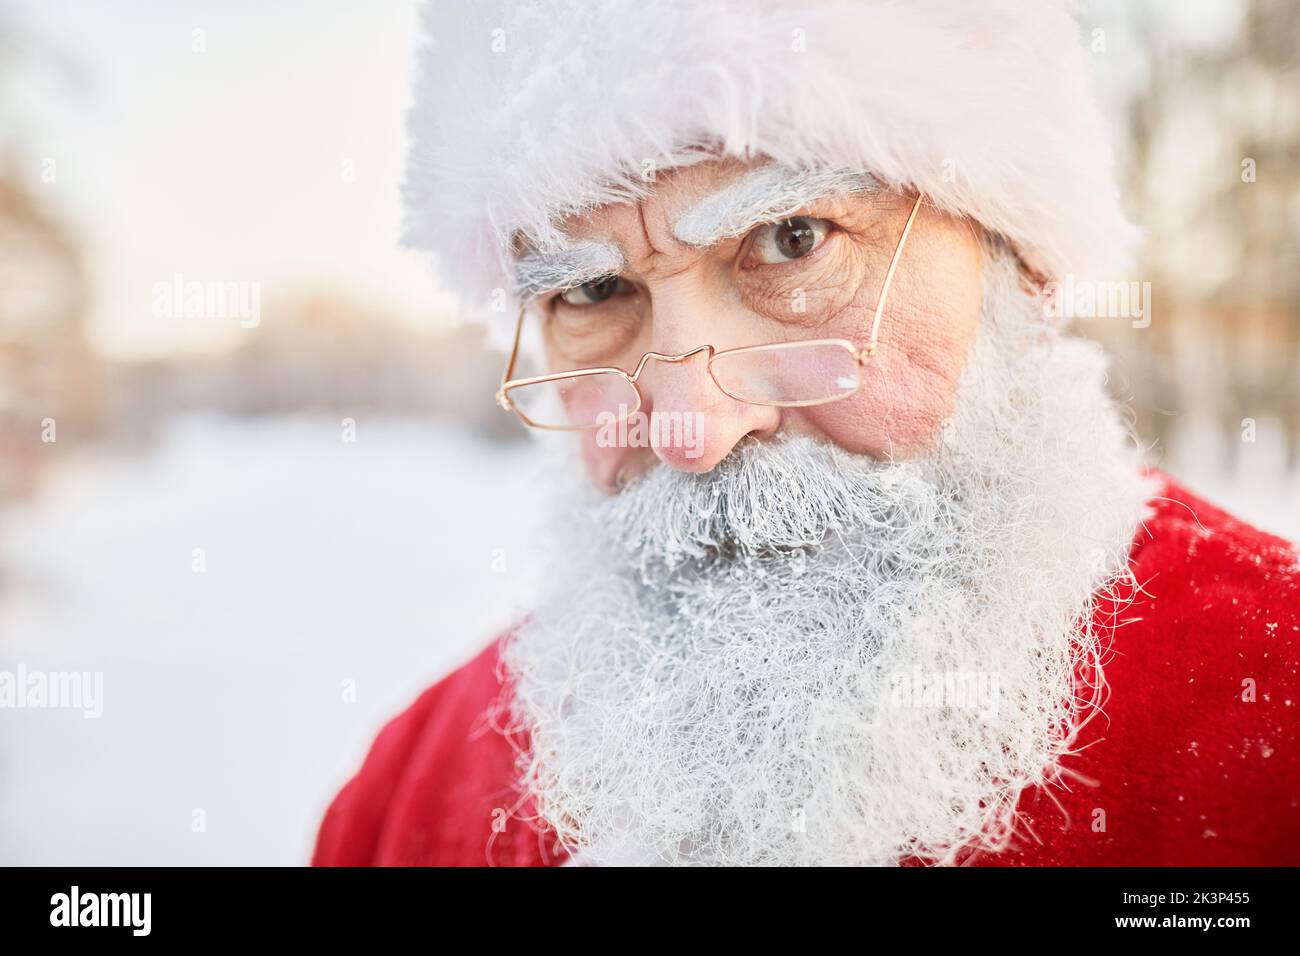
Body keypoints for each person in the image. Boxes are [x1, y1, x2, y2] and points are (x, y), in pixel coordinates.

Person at [314, 0, 1300, 866]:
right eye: (592, 289)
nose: (692, 430)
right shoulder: (407, 798)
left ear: (1021, 269)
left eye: (792, 241)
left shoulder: (1272, 718)